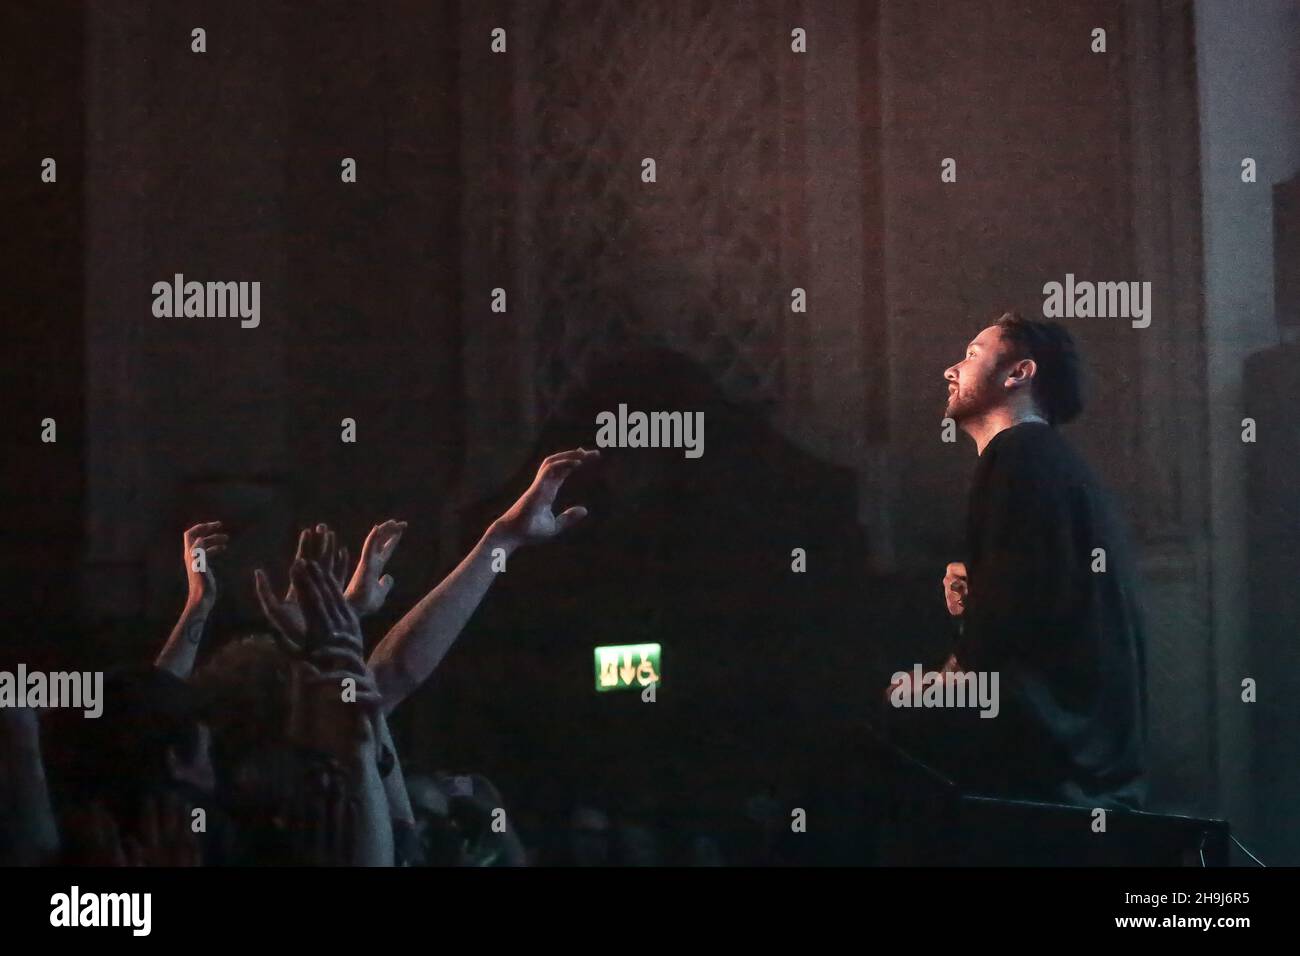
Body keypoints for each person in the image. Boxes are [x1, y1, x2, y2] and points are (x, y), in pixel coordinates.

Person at [932, 311, 1147, 809]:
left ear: (1018, 374)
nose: (951, 370)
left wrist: (943, 680)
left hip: (1054, 769)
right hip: (1089, 766)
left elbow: (1008, 626)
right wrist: (981, 597)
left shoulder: (1018, 454)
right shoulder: (1049, 462)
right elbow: (1041, 602)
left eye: (971, 355)